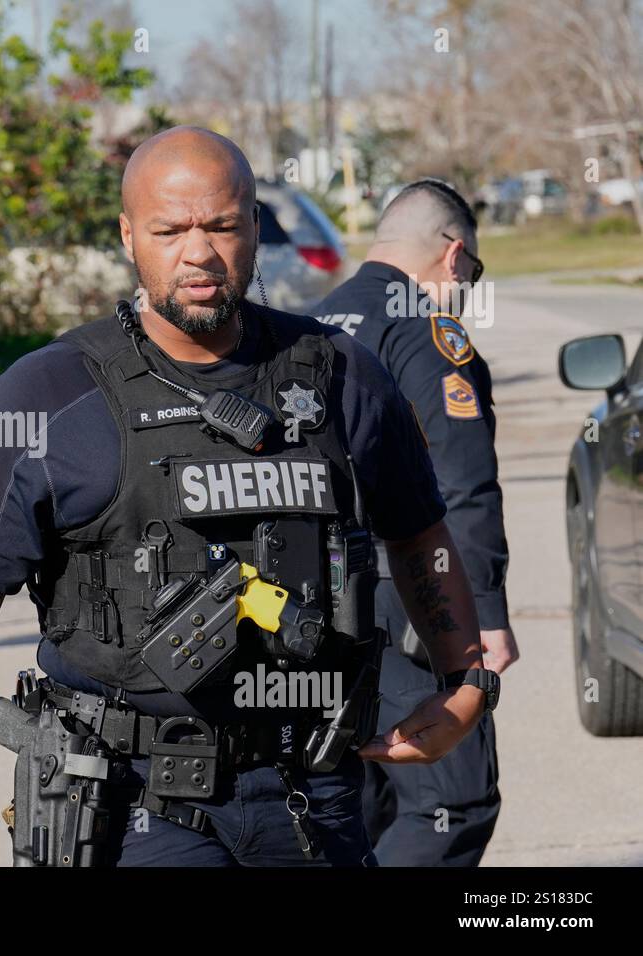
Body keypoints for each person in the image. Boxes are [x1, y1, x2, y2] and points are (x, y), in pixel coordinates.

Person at [0, 127, 498, 868]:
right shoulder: (46, 398)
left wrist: (465, 678)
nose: (198, 253)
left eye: (223, 226)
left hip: (315, 792)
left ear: (257, 228)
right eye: (170, 230)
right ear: (128, 235)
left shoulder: (342, 377)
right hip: (127, 804)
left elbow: (420, 535)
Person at [313, 179, 513, 866]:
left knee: (358, 804)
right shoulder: (427, 333)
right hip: (409, 611)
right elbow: (463, 485)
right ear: (453, 256)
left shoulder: (310, 327)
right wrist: (483, 620)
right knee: (452, 802)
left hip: (311, 611)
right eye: (474, 273)